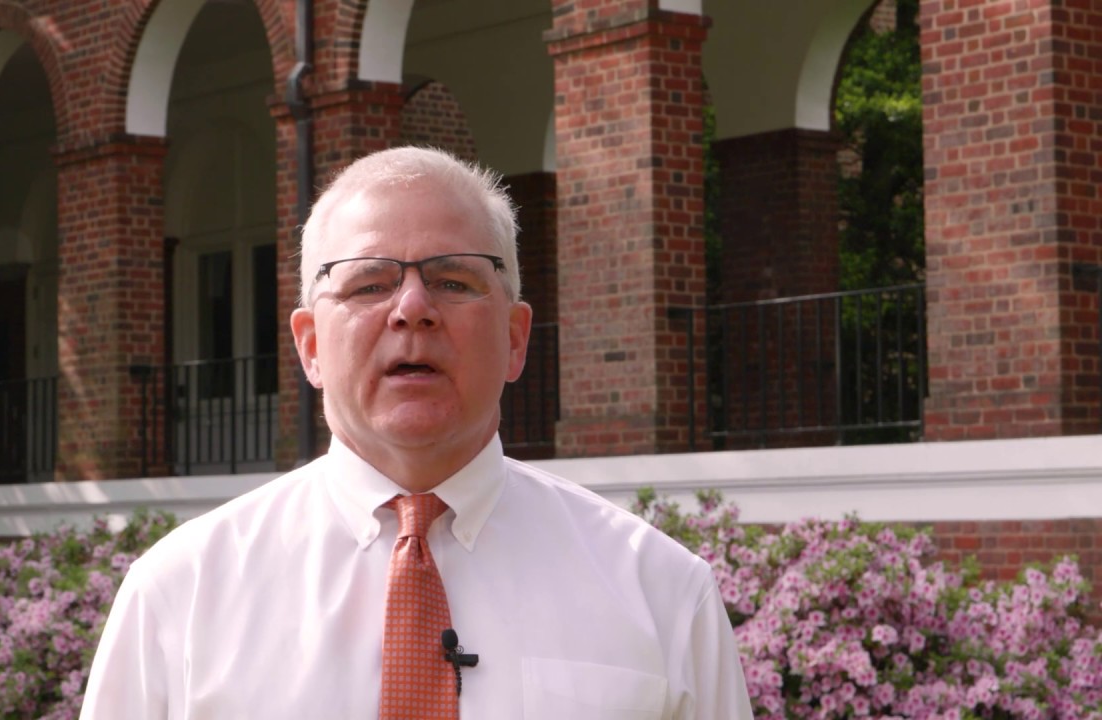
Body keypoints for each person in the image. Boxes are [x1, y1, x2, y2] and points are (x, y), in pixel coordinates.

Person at [80, 146, 754, 719]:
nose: (412, 309)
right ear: (309, 346)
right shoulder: (180, 594)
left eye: (453, 279)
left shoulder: (662, 592)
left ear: (516, 339)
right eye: (369, 284)